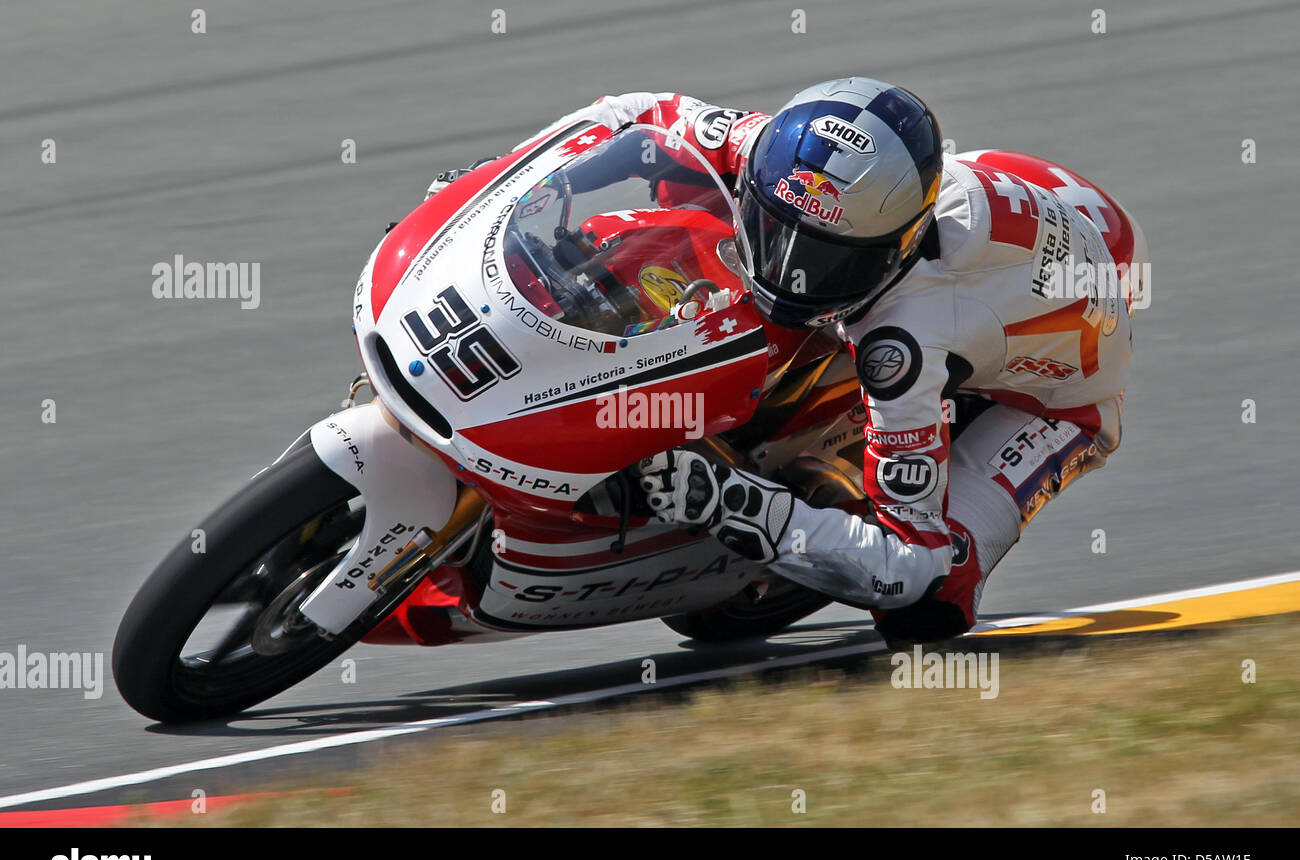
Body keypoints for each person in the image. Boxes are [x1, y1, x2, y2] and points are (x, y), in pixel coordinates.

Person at [431, 77, 1148, 645]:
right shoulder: (778, 154)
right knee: (659, 225)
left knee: (928, 604)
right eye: (777, 231)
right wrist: (493, 184)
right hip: (1011, 206)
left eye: (825, 261)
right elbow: (634, 113)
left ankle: (775, 496)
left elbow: (912, 561)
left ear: (894, 247)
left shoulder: (908, 341)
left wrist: (739, 504)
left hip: (1054, 398)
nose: (789, 272)